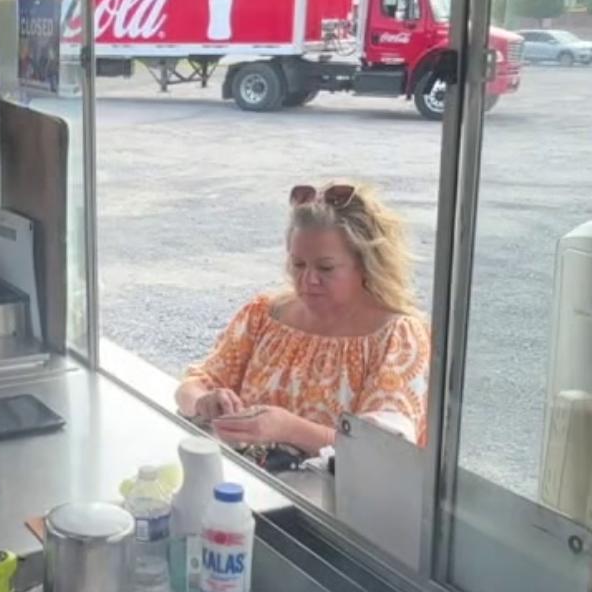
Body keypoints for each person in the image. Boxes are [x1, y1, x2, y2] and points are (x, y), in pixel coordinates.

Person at [175, 181, 431, 452]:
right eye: (298, 264)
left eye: (326, 267)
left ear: (366, 264)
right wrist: (205, 402)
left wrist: (289, 429)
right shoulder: (264, 315)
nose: (308, 279)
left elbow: (383, 449)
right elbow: (191, 387)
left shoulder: (396, 337)